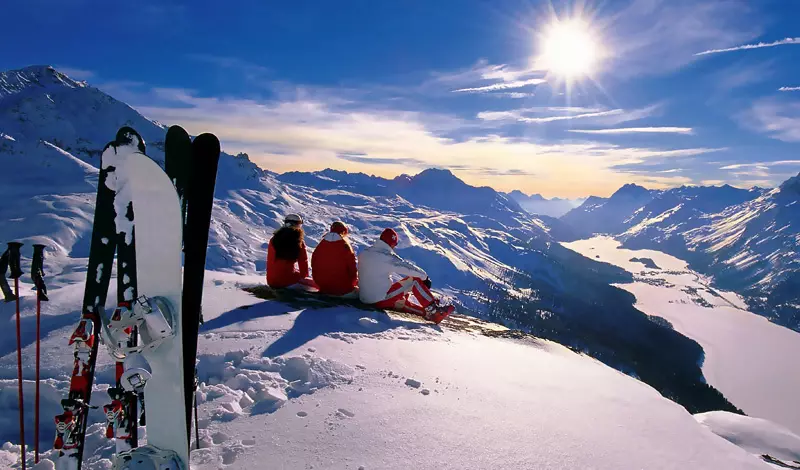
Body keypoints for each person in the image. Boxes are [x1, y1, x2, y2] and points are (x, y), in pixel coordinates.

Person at [358, 228, 453, 323]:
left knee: (401, 302)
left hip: (364, 298)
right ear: (392, 243)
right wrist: (424, 277)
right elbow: (407, 267)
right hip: (379, 299)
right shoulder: (387, 257)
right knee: (413, 281)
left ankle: (426, 313)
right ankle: (434, 311)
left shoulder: (365, 253)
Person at [266, 214, 316, 289]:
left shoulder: (274, 239)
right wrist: (304, 277)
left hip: (271, 280)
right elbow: (303, 261)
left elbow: (270, 260)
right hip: (287, 280)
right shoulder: (298, 241)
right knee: (311, 283)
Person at [311, 221, 358, 296]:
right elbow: (352, 268)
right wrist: (353, 283)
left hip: (323, 286)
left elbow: (313, 262)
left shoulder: (322, 244)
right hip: (342, 288)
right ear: (344, 231)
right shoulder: (344, 246)